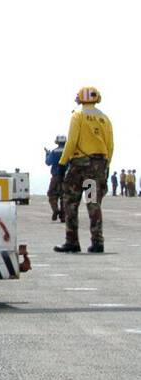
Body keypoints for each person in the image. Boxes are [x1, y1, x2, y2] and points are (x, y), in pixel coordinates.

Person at [55, 86, 114, 254]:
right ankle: (97, 242)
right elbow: (110, 146)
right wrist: (106, 166)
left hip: (80, 165)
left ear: (80, 98)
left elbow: (72, 141)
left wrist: (62, 163)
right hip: (99, 165)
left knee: (71, 202)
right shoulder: (105, 119)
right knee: (93, 203)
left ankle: (72, 241)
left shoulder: (78, 115)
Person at [46, 135, 68, 222]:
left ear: (57, 142)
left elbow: (48, 162)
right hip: (66, 177)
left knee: (51, 195)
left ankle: (55, 210)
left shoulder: (54, 152)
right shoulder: (69, 151)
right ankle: (63, 216)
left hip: (55, 176)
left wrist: (47, 154)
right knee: (64, 196)